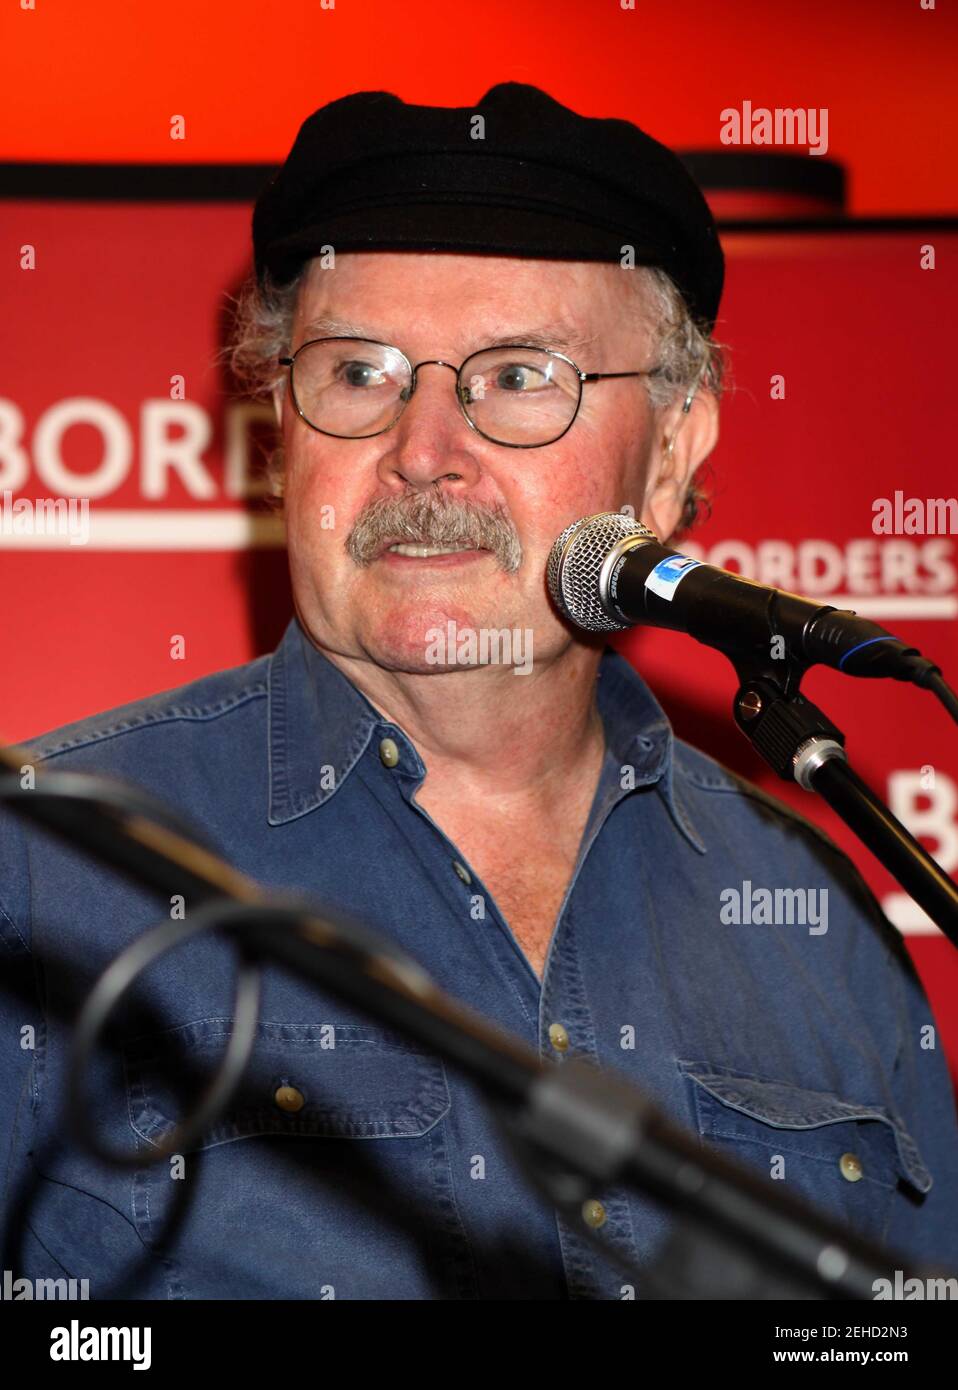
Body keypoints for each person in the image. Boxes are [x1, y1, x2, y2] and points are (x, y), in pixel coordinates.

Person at [1, 83, 956, 1301]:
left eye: (516, 378)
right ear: (283, 431)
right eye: (359, 372)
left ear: (666, 459)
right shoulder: (39, 868)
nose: (423, 448)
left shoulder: (818, 920)